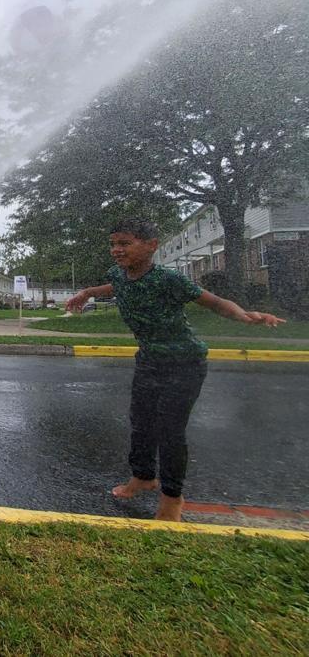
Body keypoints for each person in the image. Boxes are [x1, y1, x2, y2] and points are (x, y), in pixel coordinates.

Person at [66, 218, 284, 521]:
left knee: (170, 431)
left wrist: (245, 316)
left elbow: (215, 302)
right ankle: (142, 477)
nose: (116, 250)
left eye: (125, 243)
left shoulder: (168, 279)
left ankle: (172, 497)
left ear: (151, 246)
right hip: (149, 360)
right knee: (141, 423)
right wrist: (86, 293)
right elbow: (111, 285)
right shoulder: (118, 274)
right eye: (113, 244)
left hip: (184, 363)